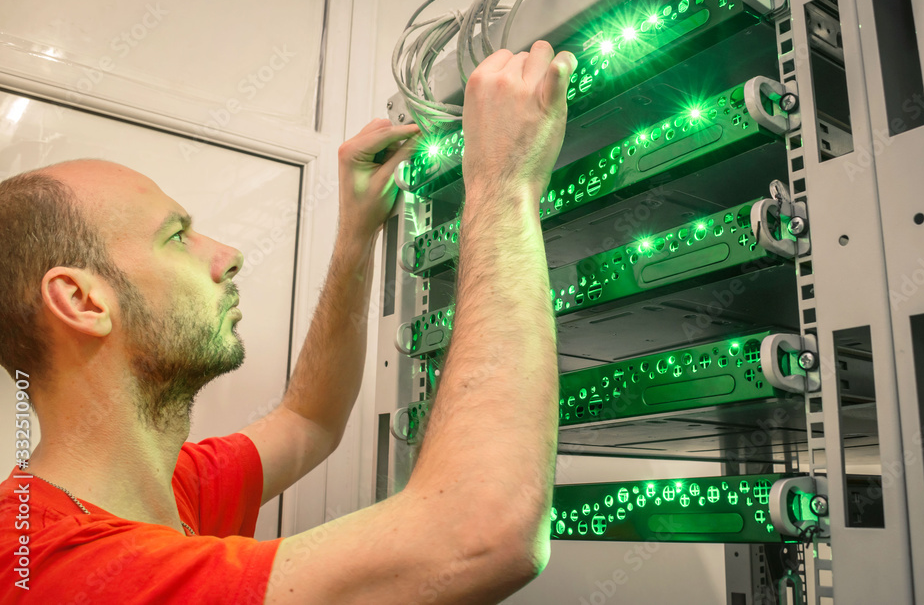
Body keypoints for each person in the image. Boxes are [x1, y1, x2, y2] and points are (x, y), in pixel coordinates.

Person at [0, 40, 577, 604]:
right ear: (81, 301)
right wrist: (504, 185)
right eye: (177, 237)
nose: (227, 254)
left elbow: (308, 420)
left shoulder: (171, 486)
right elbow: (479, 536)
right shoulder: (52, 566)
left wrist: (356, 233)